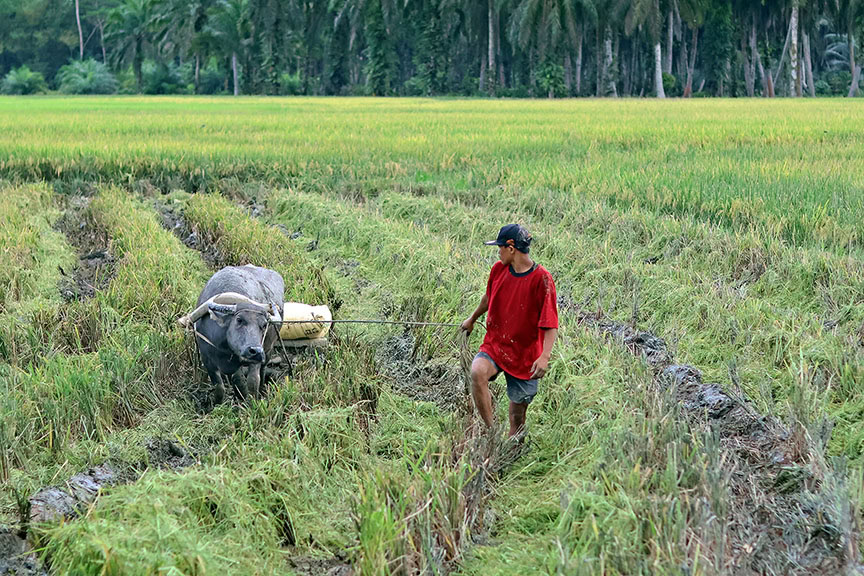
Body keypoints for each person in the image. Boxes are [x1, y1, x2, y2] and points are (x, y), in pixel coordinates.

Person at [461, 224, 559, 438]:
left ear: (511, 248)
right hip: (496, 345)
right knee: (477, 371)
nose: (498, 252)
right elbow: (488, 297)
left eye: (500, 247)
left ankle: (512, 451)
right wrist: (472, 318)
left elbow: (550, 323)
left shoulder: (542, 279)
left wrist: (544, 357)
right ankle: (492, 434)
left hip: (525, 356)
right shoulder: (498, 270)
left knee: (516, 419)